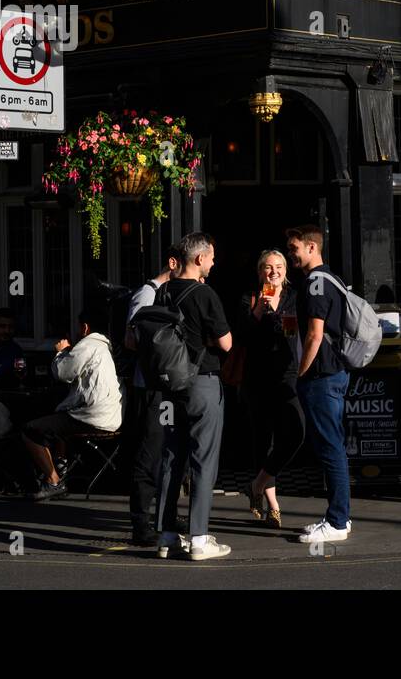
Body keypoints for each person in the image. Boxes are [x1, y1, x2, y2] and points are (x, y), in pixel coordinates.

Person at [152, 232, 234, 561]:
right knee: (204, 459)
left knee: (171, 458)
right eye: (211, 257)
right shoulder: (205, 293)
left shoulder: (162, 293)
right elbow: (226, 343)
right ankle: (199, 538)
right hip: (202, 382)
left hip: (169, 387)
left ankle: (167, 534)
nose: (213, 263)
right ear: (199, 259)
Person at [286, 224, 354, 544]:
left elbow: (314, 335)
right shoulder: (333, 280)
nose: (291, 254)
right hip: (335, 373)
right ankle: (338, 516)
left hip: (321, 376)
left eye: (295, 248)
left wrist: (300, 374)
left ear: (312, 247)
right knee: (333, 445)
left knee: (330, 448)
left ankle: (338, 521)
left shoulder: (315, 284)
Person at [22, 302, 123, 501]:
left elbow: (63, 372)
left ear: (85, 327)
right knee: (59, 416)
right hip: (110, 418)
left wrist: (61, 352)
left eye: (78, 327)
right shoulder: (105, 347)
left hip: (92, 417)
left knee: (29, 431)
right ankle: (61, 469)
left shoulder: (88, 344)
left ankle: (53, 481)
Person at [241, 248, 306, 528]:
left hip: (287, 375)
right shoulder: (250, 298)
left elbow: (292, 337)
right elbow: (241, 337)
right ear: (260, 272)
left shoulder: (293, 297)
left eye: (279, 266)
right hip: (257, 378)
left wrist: (276, 314)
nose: (274, 272)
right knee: (262, 440)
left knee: (293, 433)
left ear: (285, 271)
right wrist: (258, 310)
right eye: (268, 267)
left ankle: (256, 485)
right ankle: (273, 506)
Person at [123, 247, 181, 546]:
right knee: (150, 452)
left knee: (168, 452)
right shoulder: (147, 294)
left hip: (169, 385)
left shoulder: (171, 293)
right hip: (151, 386)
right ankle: (140, 523)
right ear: (172, 263)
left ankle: (165, 514)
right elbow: (130, 339)